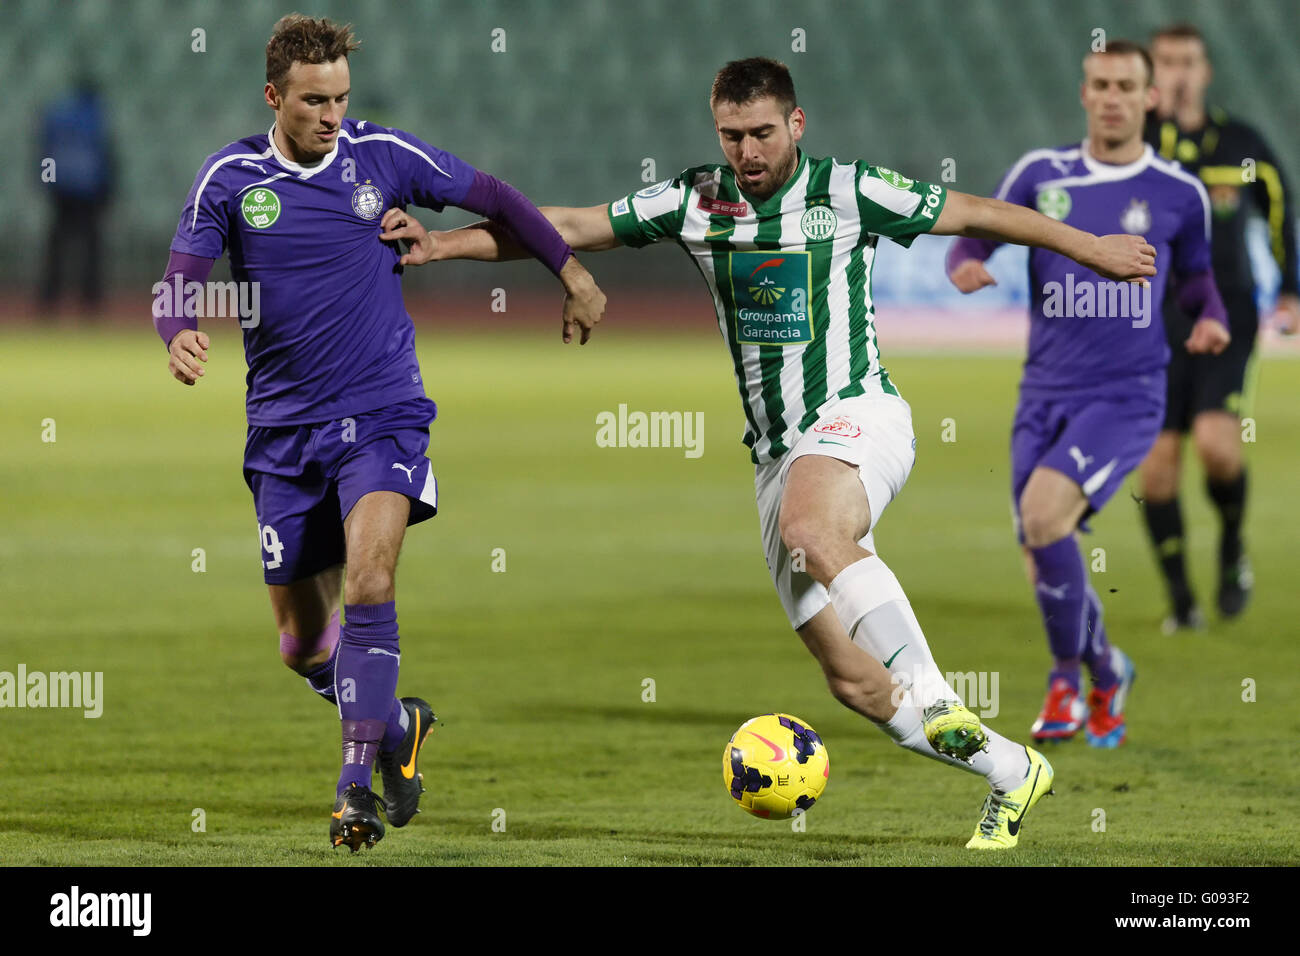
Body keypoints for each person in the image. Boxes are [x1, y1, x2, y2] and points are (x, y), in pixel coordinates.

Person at [388, 57, 1160, 849]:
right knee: (853, 680)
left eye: (761, 132)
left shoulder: (850, 191)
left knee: (816, 532)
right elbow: (573, 225)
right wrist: (441, 244)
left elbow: (974, 213)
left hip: (860, 414)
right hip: (776, 455)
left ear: (796, 124)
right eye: (731, 136)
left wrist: (1086, 248)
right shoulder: (696, 199)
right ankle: (1010, 770)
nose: (746, 151)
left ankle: (931, 690)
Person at [154, 15, 607, 852]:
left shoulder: (384, 155)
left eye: (340, 99)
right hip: (282, 434)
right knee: (300, 645)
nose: (331, 115)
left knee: (371, 579)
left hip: (383, 414)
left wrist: (572, 273)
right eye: (314, 101)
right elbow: (179, 276)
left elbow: (499, 198)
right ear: (273, 97)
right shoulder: (231, 176)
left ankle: (353, 790)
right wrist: (177, 326)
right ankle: (395, 725)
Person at [946, 41, 1229, 748]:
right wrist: (967, 262)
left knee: (1044, 516)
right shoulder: (1041, 174)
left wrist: (1213, 317)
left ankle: (1066, 681)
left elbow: (1195, 278)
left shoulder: (1178, 191)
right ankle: (1109, 669)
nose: (1111, 96)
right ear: (1084, 94)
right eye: (1099, 84)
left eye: (1125, 86)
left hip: (1128, 394)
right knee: (1041, 544)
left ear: (1149, 98)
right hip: (1042, 391)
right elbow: (973, 228)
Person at [1140, 22, 1300, 631]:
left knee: (1216, 447)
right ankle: (1182, 603)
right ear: (1152, 75)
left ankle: (1232, 546)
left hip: (1227, 313)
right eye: (1168, 62)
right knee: (1156, 468)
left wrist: (1290, 290)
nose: (1179, 72)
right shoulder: (1137, 146)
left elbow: (1282, 210)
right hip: (1153, 319)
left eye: (1189, 61)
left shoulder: (1241, 143)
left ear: (1206, 71)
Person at [39, 73, 115, 315]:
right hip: (87, 189)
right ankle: (90, 300)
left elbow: (45, 150)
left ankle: (50, 297)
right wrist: (107, 189)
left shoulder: (57, 115)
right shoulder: (94, 116)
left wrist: (44, 180)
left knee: (58, 242)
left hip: (61, 187)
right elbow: (104, 156)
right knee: (90, 244)